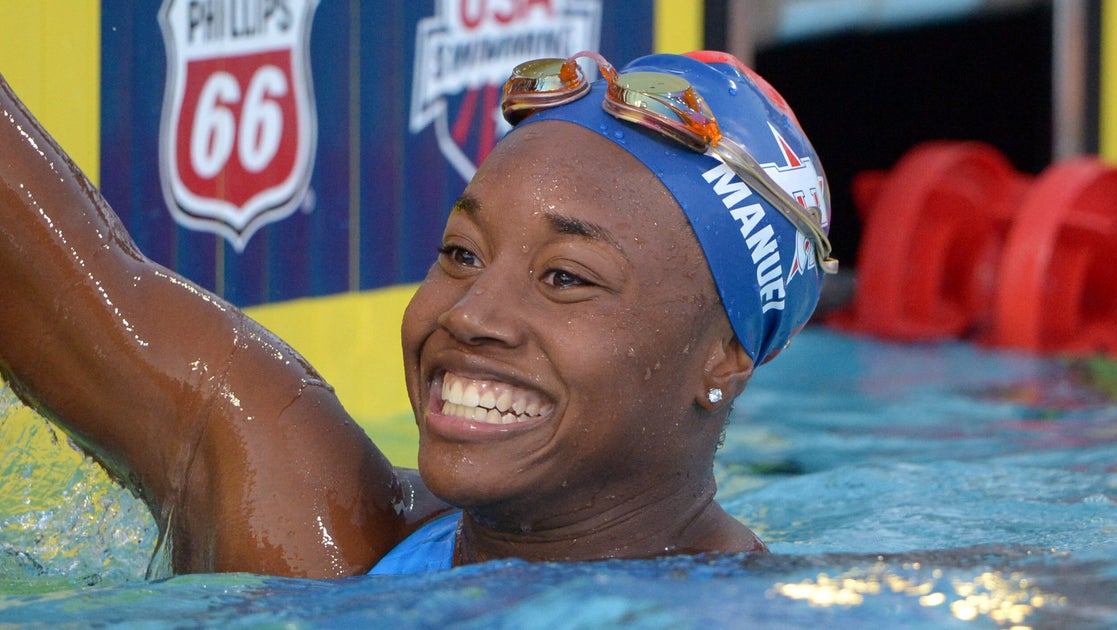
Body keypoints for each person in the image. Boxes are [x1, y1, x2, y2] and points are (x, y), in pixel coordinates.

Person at [0, 50, 834, 579]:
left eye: (566, 278)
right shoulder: (311, 526)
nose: (471, 315)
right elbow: (56, 264)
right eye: (462, 255)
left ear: (723, 356)